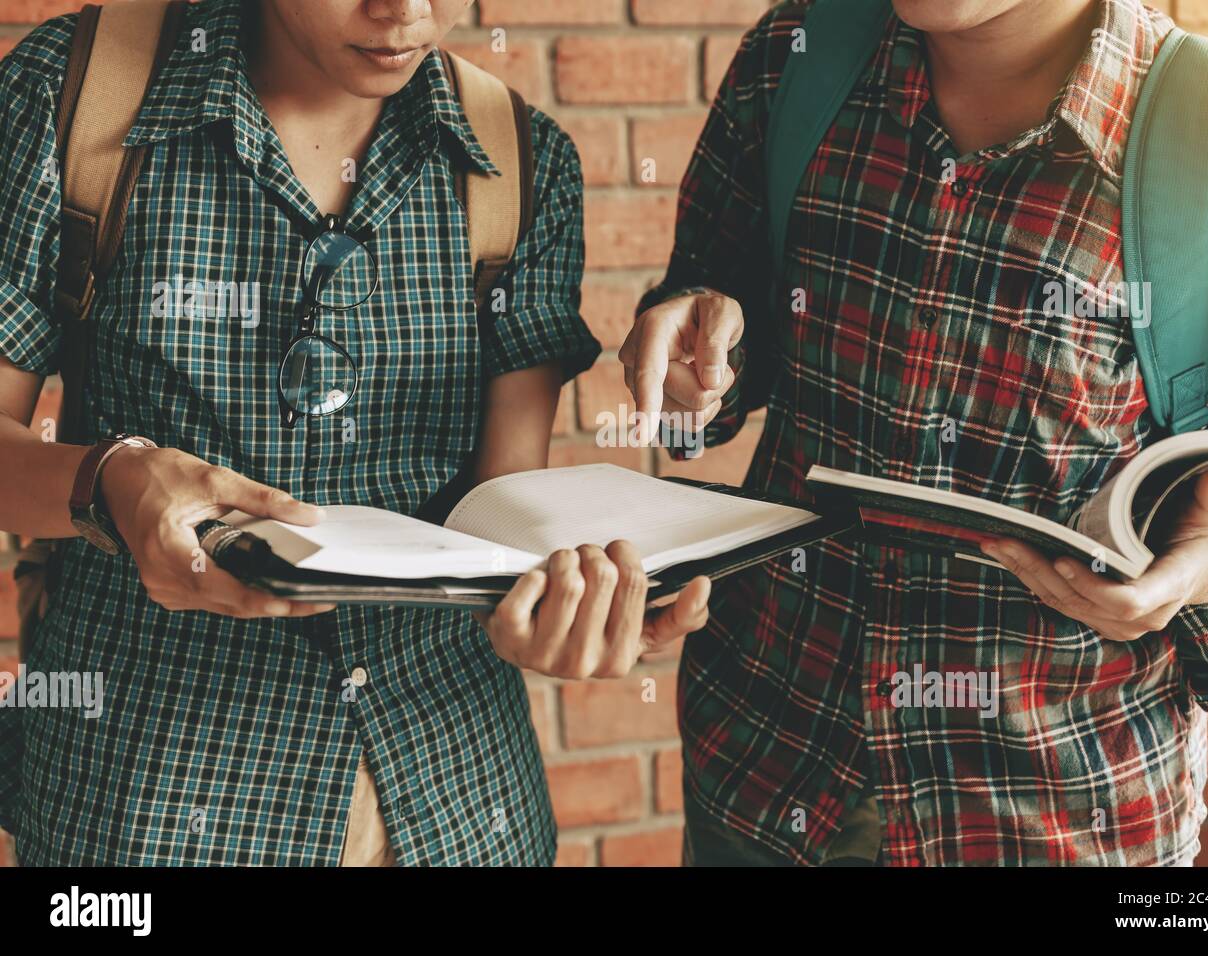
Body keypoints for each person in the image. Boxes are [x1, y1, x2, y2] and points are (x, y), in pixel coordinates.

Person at [0, 0, 709, 866]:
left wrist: (553, 609)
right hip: (146, 805)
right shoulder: (71, 95)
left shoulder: (522, 161)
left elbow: (498, 514)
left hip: (456, 804)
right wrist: (105, 481)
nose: (405, 12)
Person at [622, 0, 1208, 866]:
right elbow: (712, 337)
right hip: (766, 768)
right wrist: (692, 367)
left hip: (1060, 811)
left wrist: (1194, 574)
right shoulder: (793, 55)